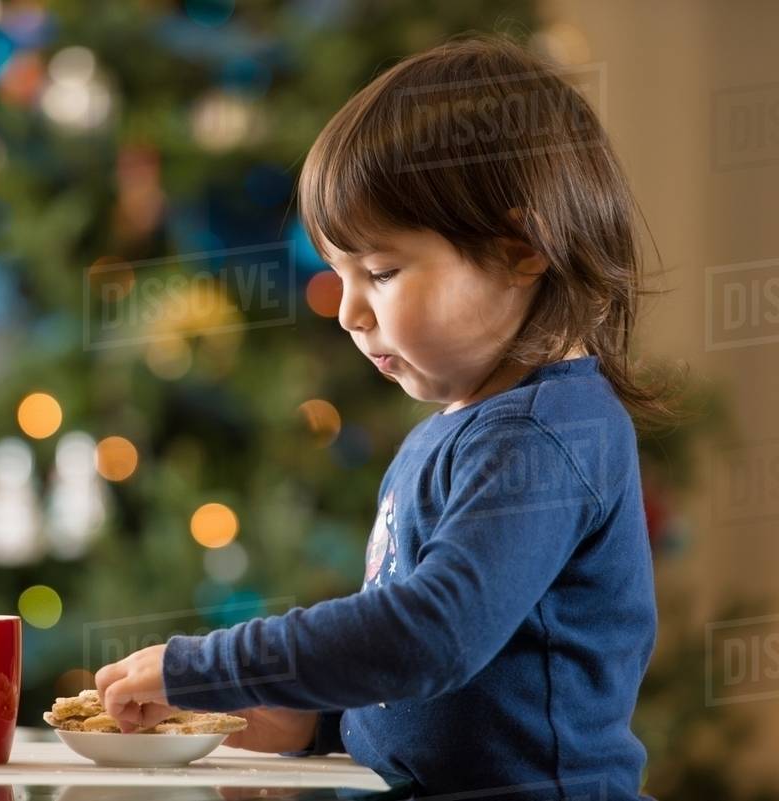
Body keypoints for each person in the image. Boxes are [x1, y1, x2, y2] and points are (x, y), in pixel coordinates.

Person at [95, 33, 670, 801]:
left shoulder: (549, 435)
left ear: (522, 246)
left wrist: (212, 663)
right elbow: (435, 691)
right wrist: (314, 720)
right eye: (340, 275)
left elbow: (434, 632)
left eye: (382, 271)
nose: (351, 312)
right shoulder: (461, 429)